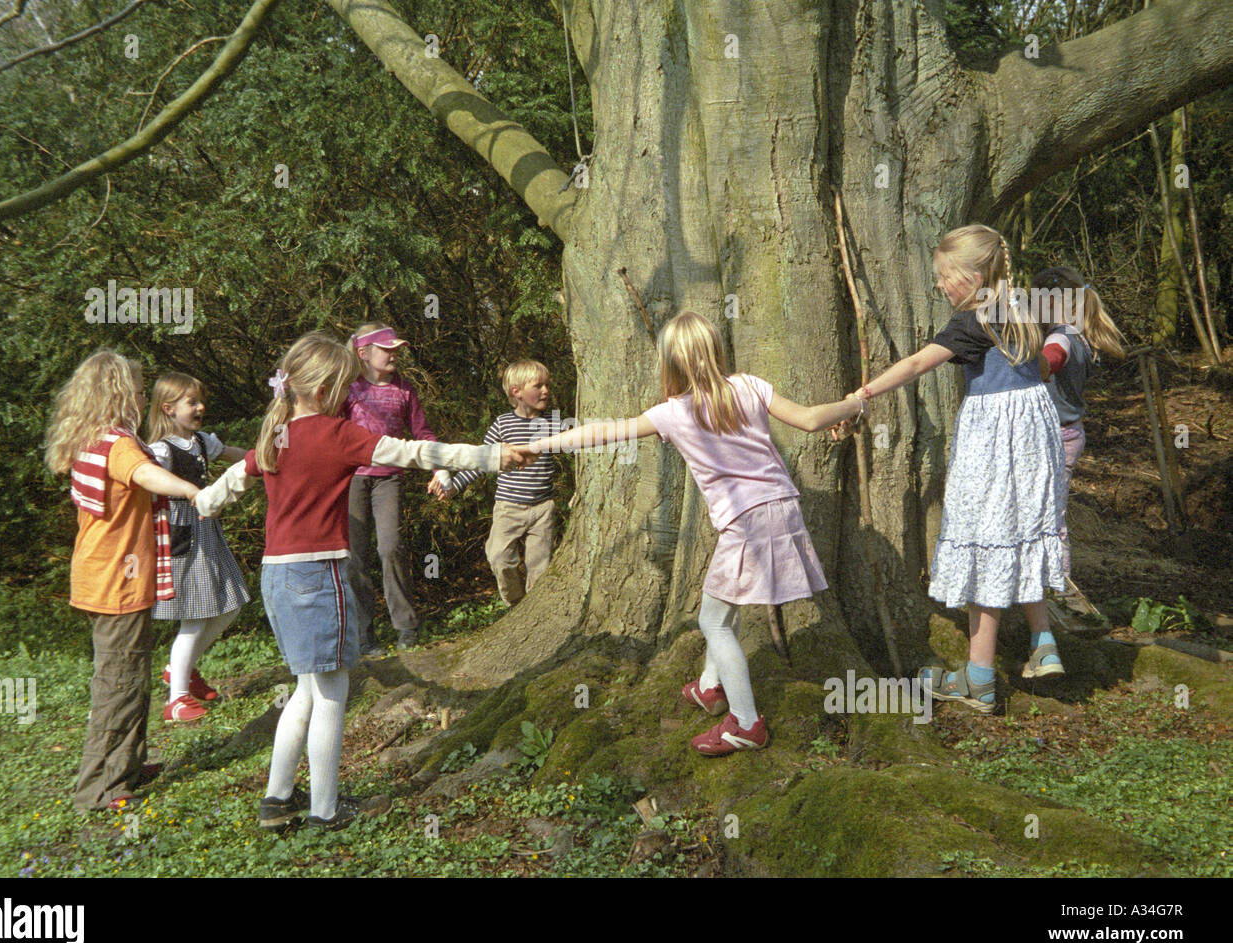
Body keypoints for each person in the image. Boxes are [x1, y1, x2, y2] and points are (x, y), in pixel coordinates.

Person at [194, 332, 532, 829]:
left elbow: (223, 489)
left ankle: (276, 800)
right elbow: (416, 453)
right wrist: (491, 457)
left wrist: (197, 502)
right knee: (333, 692)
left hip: (275, 578)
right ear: (330, 388)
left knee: (306, 689)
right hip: (316, 574)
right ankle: (325, 810)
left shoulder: (275, 436)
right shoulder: (338, 435)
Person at [526, 311, 861, 755]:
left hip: (744, 521)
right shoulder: (749, 385)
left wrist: (536, 444)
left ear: (672, 364)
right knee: (724, 607)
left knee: (712, 621)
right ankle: (708, 686)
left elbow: (605, 433)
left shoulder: (672, 413)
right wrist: (855, 402)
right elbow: (813, 419)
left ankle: (745, 723)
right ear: (714, 350)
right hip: (784, 507)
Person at [847, 224, 1069, 713]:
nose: (942, 287)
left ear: (973, 275)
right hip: (1037, 436)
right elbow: (1053, 354)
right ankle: (1043, 642)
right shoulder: (1025, 307)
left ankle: (979, 679)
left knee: (984, 541)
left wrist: (863, 394)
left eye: (946, 277)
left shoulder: (970, 322)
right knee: (1025, 531)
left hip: (992, 441)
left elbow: (913, 365)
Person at [44, 349, 200, 811]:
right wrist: (193, 490)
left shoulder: (90, 438)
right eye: (134, 387)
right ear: (117, 393)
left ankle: (127, 767)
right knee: (119, 686)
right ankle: (98, 790)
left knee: (129, 678)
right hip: (119, 583)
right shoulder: (119, 444)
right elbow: (148, 475)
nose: (139, 395)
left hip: (101, 575)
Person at [145, 372, 252, 724]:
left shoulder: (202, 442)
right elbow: (147, 486)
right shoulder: (161, 450)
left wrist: (263, 459)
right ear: (169, 408)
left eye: (200, 400)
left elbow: (239, 456)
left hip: (208, 532)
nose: (200, 407)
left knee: (230, 607)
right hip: (181, 536)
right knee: (194, 616)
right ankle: (176, 700)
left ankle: (179, 668)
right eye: (192, 402)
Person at [342, 323, 444, 654]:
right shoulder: (349, 390)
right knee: (355, 556)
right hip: (352, 479)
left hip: (389, 479)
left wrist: (439, 467)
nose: (394, 354)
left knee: (391, 548)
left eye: (395, 348)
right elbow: (331, 433)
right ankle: (363, 635)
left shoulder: (405, 389)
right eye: (387, 349)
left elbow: (422, 433)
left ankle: (406, 626)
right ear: (364, 354)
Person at [1029, 266, 1126, 580]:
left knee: (1050, 516)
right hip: (1067, 433)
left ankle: (1061, 585)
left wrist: (1022, 357)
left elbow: (1051, 360)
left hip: (1056, 437)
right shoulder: (1082, 337)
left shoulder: (1062, 337)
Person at [442, 359, 561, 605]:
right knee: (499, 557)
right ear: (516, 392)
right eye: (538, 386)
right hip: (509, 507)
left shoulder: (553, 422)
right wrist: (454, 484)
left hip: (543, 508)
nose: (546, 390)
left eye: (547, 385)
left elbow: (576, 447)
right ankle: (517, 605)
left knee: (540, 567)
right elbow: (482, 460)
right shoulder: (502, 424)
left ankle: (534, 610)